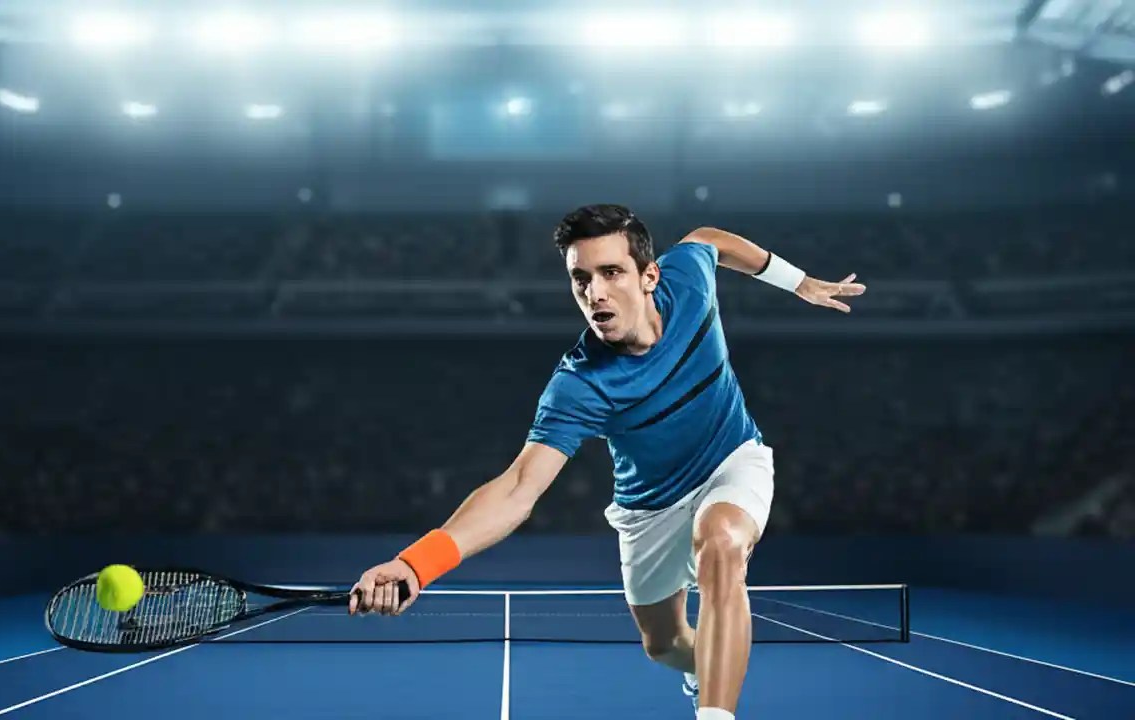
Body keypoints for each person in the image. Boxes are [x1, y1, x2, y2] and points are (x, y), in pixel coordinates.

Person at [350, 204, 865, 718]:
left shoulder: (688, 281)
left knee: (722, 545)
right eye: (580, 279)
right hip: (648, 508)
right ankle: (700, 666)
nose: (594, 293)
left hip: (732, 460)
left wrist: (797, 282)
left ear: (649, 276)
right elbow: (518, 488)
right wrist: (415, 563)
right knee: (663, 645)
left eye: (611, 272)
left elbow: (711, 239)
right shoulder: (579, 384)